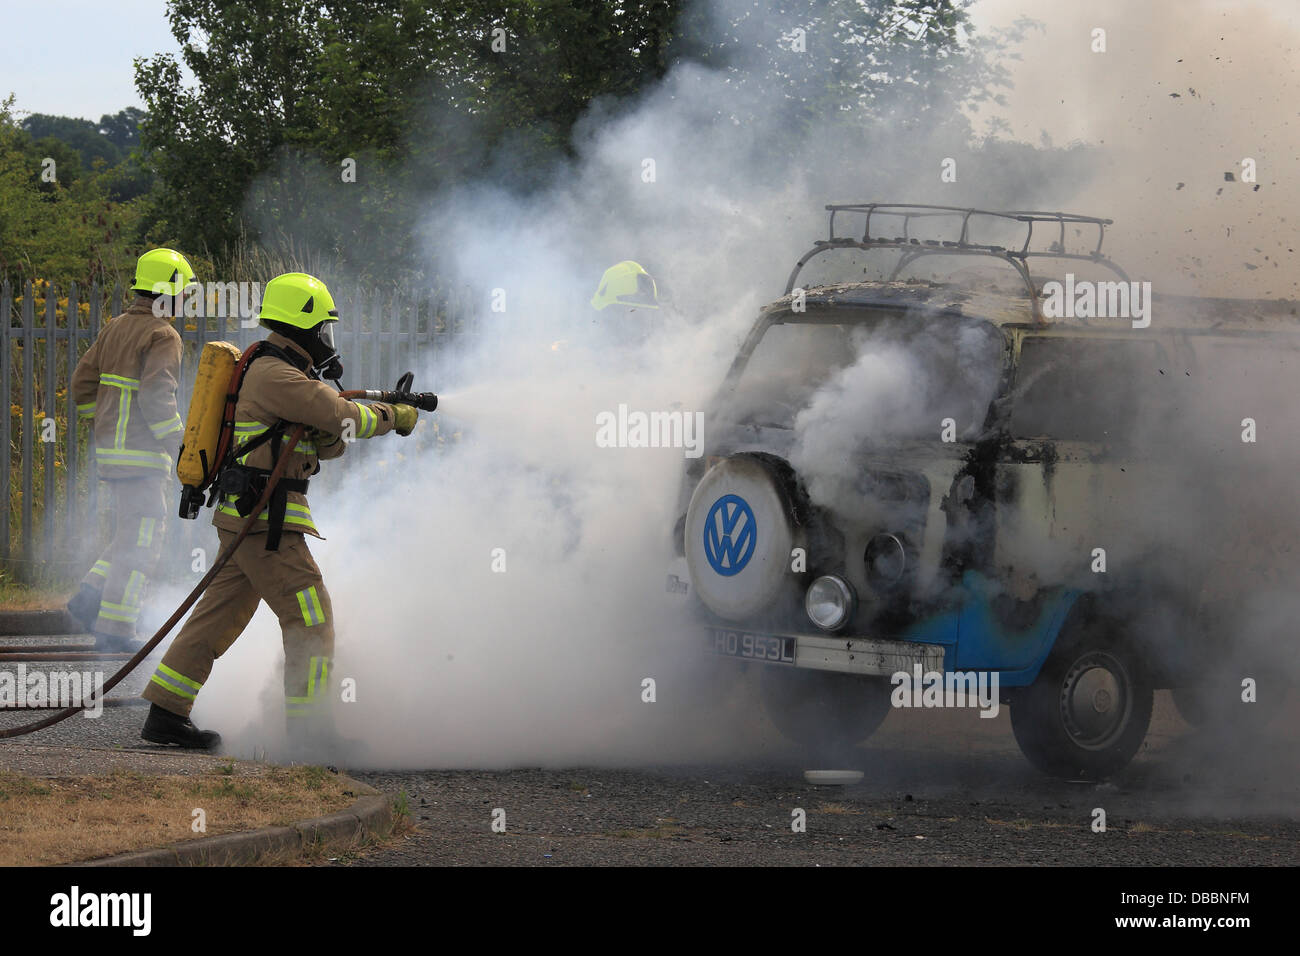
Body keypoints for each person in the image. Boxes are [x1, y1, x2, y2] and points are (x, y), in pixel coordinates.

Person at [138, 272, 418, 750]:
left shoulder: (277, 372)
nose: (327, 340)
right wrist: (394, 416)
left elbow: (324, 439)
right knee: (310, 613)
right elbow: (342, 415)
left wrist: (334, 431)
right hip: (263, 521)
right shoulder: (276, 374)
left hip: (249, 517)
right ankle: (310, 734)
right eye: (323, 328)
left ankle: (165, 711)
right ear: (304, 324)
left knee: (219, 613)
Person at [68, 248, 193, 652]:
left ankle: (88, 596)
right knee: (143, 541)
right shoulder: (164, 335)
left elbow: (81, 386)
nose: (186, 301)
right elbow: (158, 399)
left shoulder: (116, 326)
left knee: (129, 532)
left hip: (114, 454)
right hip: (142, 456)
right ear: (169, 291)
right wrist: (183, 447)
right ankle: (116, 629)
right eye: (184, 292)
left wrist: (103, 422)